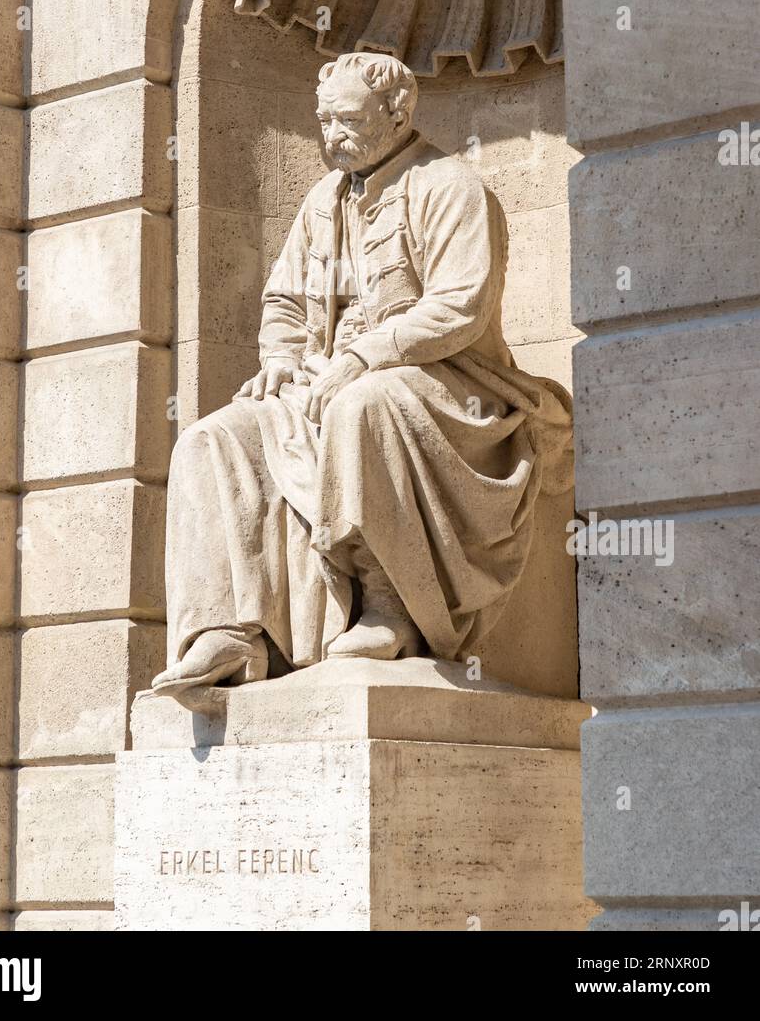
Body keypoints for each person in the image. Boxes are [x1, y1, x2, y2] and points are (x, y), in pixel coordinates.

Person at [152, 52, 572, 693]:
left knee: (365, 404)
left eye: (348, 119)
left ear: (399, 113)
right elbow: (287, 301)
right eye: (324, 121)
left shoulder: (449, 186)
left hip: (450, 386)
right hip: (331, 378)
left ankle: (391, 606)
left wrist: (361, 356)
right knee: (212, 438)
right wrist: (282, 362)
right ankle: (230, 631)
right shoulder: (324, 201)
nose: (331, 135)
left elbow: (460, 306)